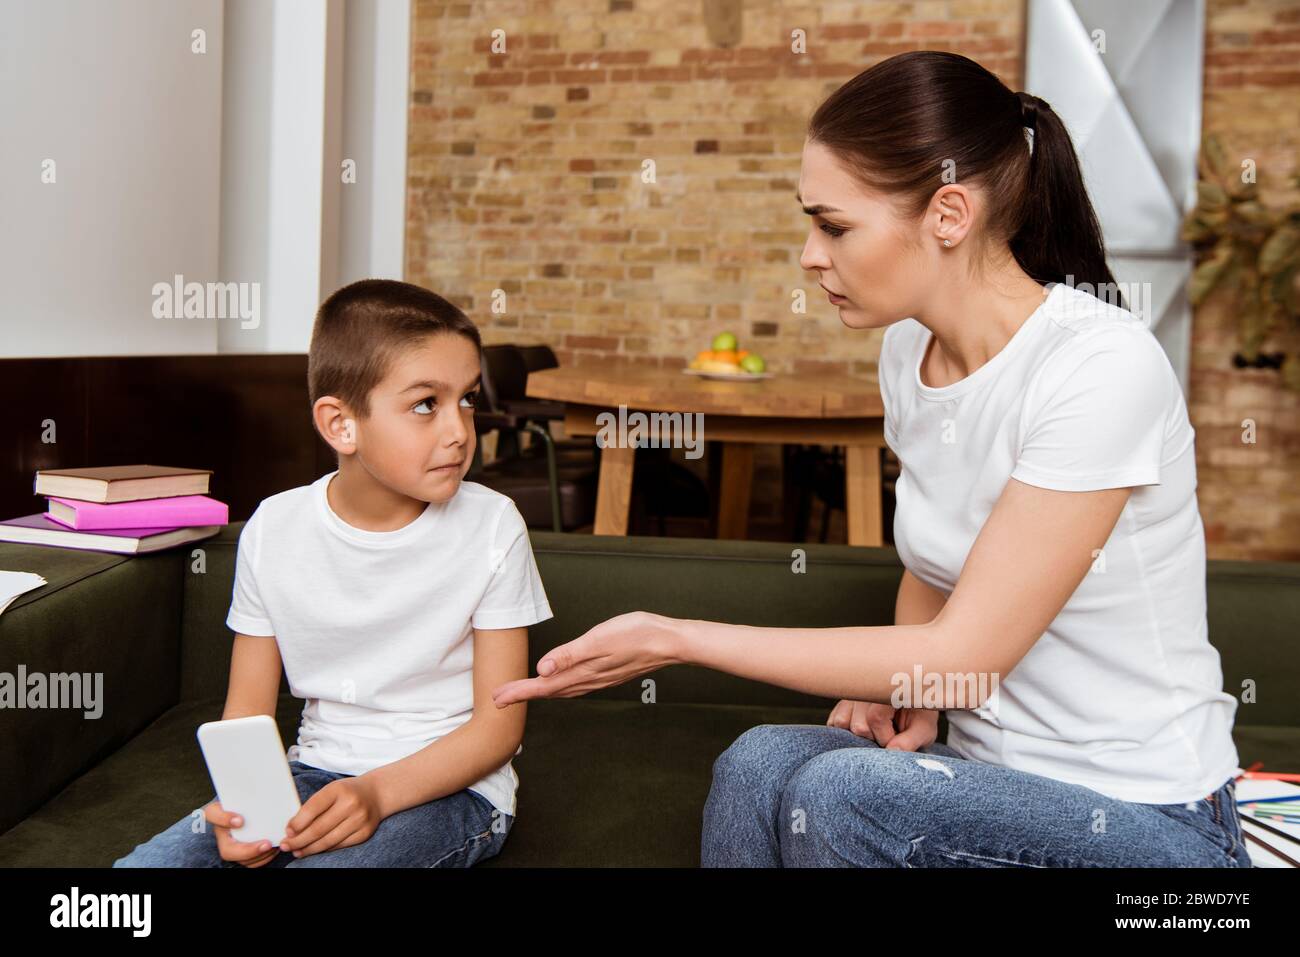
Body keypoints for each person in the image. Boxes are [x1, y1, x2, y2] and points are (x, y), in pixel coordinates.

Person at [490, 51, 1251, 868]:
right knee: (758, 764)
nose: (810, 255)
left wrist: (678, 636)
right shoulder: (907, 354)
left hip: (1153, 821)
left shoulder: (1100, 366)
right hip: (986, 776)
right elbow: (935, 562)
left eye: (835, 225)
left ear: (949, 214)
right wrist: (906, 687)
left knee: (842, 796)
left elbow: (966, 655)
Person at [114, 279, 551, 867]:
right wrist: (245, 807)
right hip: (311, 774)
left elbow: (498, 731)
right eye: (427, 404)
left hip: (453, 792)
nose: (459, 430)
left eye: (466, 399)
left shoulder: (493, 525)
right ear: (340, 424)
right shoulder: (275, 527)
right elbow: (247, 709)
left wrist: (376, 794)